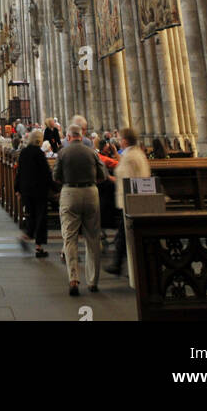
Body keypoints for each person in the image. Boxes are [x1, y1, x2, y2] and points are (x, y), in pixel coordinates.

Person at [54, 122, 110, 296]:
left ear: (69, 137)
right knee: (93, 238)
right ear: (82, 136)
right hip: (91, 192)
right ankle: (93, 281)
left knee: (69, 237)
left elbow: (56, 177)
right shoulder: (92, 152)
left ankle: (73, 279)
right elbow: (104, 175)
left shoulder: (63, 153)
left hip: (70, 193)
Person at [105, 127, 151, 277]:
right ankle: (123, 265)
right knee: (123, 236)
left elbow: (127, 178)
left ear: (124, 141)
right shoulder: (135, 153)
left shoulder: (131, 156)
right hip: (135, 200)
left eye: (120, 139)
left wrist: (111, 178)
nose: (119, 141)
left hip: (131, 201)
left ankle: (120, 265)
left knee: (124, 236)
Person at [15, 129, 54, 258]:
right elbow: (46, 173)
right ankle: (38, 247)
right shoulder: (39, 153)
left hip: (26, 190)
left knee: (31, 214)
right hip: (39, 190)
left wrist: (17, 189)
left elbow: (19, 172)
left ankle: (26, 236)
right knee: (41, 217)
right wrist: (55, 188)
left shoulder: (24, 152)